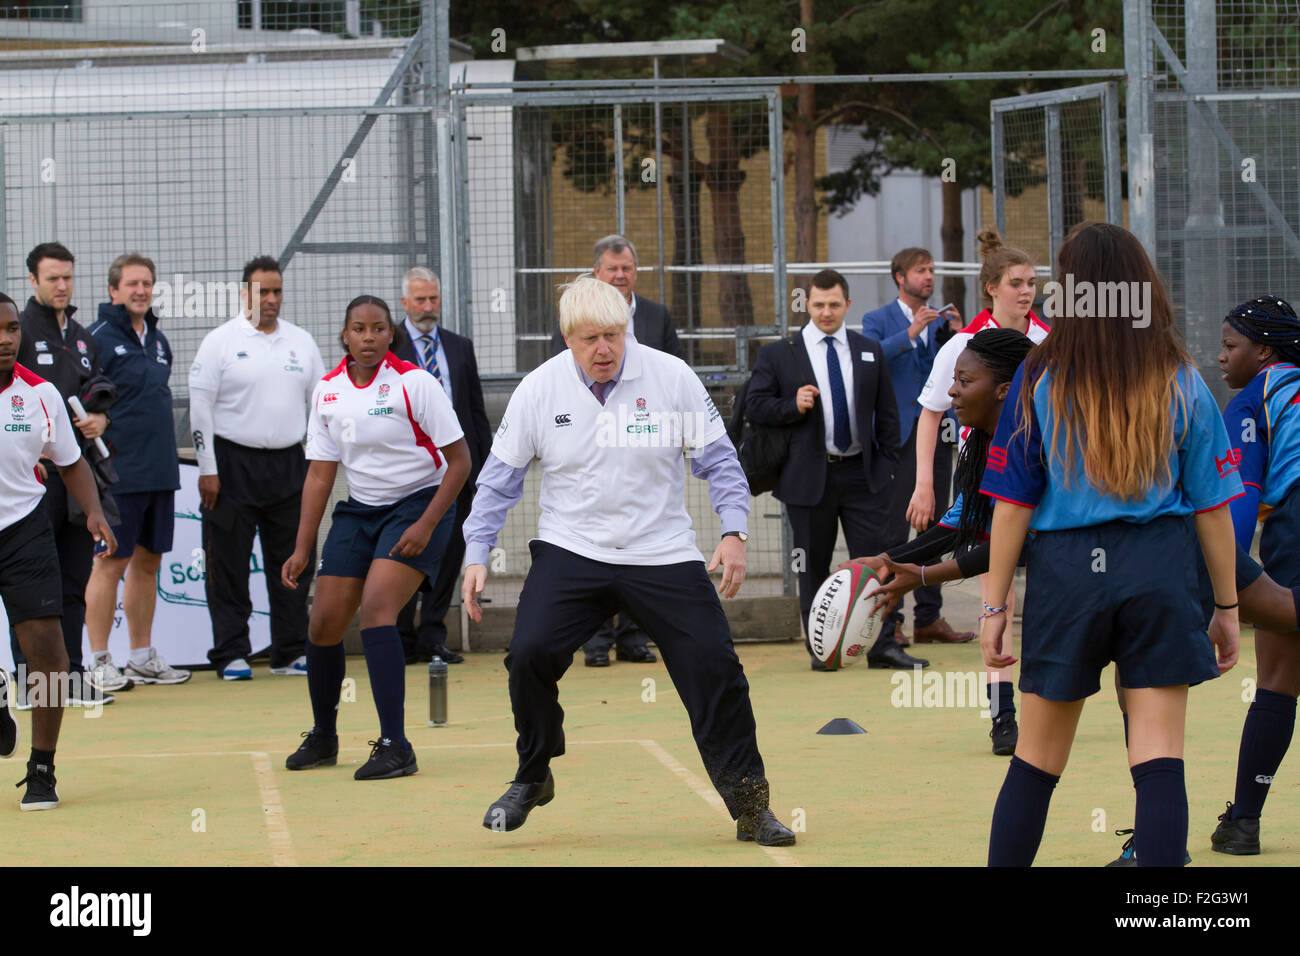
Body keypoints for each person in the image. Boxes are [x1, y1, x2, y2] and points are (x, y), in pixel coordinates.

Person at [462, 276, 795, 846]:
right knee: (528, 656)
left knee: (715, 667)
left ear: (628, 329)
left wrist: (734, 531)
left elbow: (720, 462)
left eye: (613, 336)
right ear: (567, 339)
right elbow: (498, 480)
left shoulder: (671, 377)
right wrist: (476, 551)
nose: (603, 350)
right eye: (589, 339)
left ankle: (750, 805)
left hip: (661, 551)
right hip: (572, 549)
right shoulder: (539, 389)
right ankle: (534, 773)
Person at [979, 221, 1241, 867]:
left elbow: (1011, 506)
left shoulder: (1039, 379)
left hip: (1067, 572)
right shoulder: (1182, 379)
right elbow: (1212, 508)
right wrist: (1228, 607)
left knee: (1036, 760)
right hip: (1158, 565)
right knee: (1157, 756)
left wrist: (994, 608)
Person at [281, 295, 469, 780]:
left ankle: (396, 745)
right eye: (359, 329)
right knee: (322, 624)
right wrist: (303, 547)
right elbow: (321, 476)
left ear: (391, 334)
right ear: (345, 335)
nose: (368, 337)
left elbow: (461, 461)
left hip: (417, 505)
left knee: (376, 611)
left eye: (378, 329)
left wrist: (425, 523)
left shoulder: (415, 383)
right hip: (360, 511)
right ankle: (324, 736)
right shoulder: (327, 391)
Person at [908, 230, 1050, 742]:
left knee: (1045, 592)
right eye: (1016, 282)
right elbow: (931, 413)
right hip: (986, 482)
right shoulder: (962, 345)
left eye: (1032, 282)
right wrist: (925, 482)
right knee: (998, 595)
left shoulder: (1047, 343)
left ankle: (1049, 695)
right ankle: (1002, 715)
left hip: (1033, 480)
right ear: (992, 287)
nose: (1026, 291)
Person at [746, 268, 910, 670]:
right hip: (808, 480)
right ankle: (823, 650)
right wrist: (792, 404)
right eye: (818, 304)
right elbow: (754, 406)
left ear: (847, 305)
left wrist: (888, 466)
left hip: (863, 476)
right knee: (813, 567)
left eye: (834, 304)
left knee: (876, 565)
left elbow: (888, 416)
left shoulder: (868, 349)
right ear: (806, 305)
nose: (825, 312)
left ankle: (883, 646)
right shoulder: (780, 353)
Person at [0, 290, 118, 808]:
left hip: (24, 530)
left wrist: (93, 511)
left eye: (11, 329)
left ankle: (42, 767)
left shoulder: (40, 393)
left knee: (47, 651)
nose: (5, 340)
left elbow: (70, 462)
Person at [189, 255, 325, 681]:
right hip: (231, 466)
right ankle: (231, 652)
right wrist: (207, 468)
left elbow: (321, 406)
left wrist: (320, 462)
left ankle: (289, 650)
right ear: (243, 294)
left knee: (292, 560)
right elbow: (200, 410)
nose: (270, 300)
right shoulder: (220, 342)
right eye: (262, 291)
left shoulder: (301, 342)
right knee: (228, 563)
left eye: (276, 291)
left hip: (289, 464)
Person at [551, 236, 681, 667]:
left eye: (627, 268)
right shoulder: (573, 320)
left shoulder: (659, 316)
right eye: (612, 269)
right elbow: (563, 378)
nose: (620, 275)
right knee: (595, 542)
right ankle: (595, 640)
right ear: (597, 273)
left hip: (646, 440)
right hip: (590, 442)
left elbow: (676, 373)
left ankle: (634, 638)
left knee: (641, 540)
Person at [1208, 295, 1300, 856]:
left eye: (1230, 345)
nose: (1220, 357)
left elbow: (1238, 503)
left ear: (1263, 351)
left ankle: (1244, 823)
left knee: (1278, 679)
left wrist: (1224, 590)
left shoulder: (1251, 400)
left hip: (1296, 524)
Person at [11, 243, 119, 706]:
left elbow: (92, 393)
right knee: (31, 589)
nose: (61, 286)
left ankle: (71, 677)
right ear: (33, 281)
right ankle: (30, 685)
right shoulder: (19, 328)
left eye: (67, 278)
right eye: (52, 278)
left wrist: (102, 420)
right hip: (33, 484)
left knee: (74, 581)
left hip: (77, 475)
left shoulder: (80, 334)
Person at [85, 254, 190, 687]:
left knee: (149, 563)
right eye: (132, 284)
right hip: (118, 474)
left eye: (147, 283)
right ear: (114, 291)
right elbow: (83, 399)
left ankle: (142, 655)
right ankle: (97, 660)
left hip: (160, 471)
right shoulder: (97, 338)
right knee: (111, 562)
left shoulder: (159, 339)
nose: (141, 290)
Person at [862, 247, 972, 648]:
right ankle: (892, 620)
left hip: (938, 437)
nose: (928, 277)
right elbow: (869, 360)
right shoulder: (879, 320)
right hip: (897, 438)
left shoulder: (942, 322)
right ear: (899, 278)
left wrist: (959, 335)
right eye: (920, 271)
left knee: (937, 524)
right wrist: (909, 334)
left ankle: (929, 617)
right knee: (895, 525)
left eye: (931, 270)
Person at [390, 267, 493, 666]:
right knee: (402, 552)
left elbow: (476, 412)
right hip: (409, 471)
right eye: (420, 300)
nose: (428, 307)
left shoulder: (459, 346)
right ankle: (399, 637)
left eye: (433, 299)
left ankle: (433, 636)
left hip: (457, 469)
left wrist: (482, 470)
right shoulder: (388, 344)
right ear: (404, 303)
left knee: (450, 554)